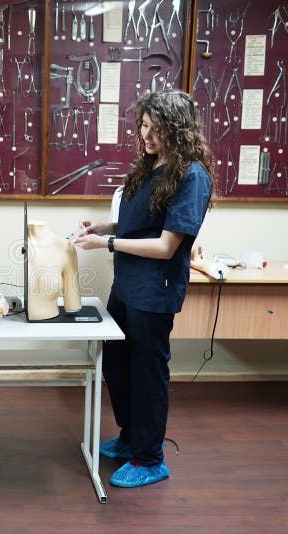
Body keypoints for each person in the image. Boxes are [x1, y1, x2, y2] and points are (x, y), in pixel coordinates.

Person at [73, 90, 214, 488]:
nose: (145, 135)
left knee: (147, 372)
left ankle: (151, 458)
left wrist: (108, 244)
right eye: (144, 125)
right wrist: (104, 228)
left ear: (177, 130)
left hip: (154, 291)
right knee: (117, 364)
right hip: (128, 285)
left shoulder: (191, 177)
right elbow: (141, 225)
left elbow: (166, 245)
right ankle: (132, 435)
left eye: (155, 129)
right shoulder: (151, 169)